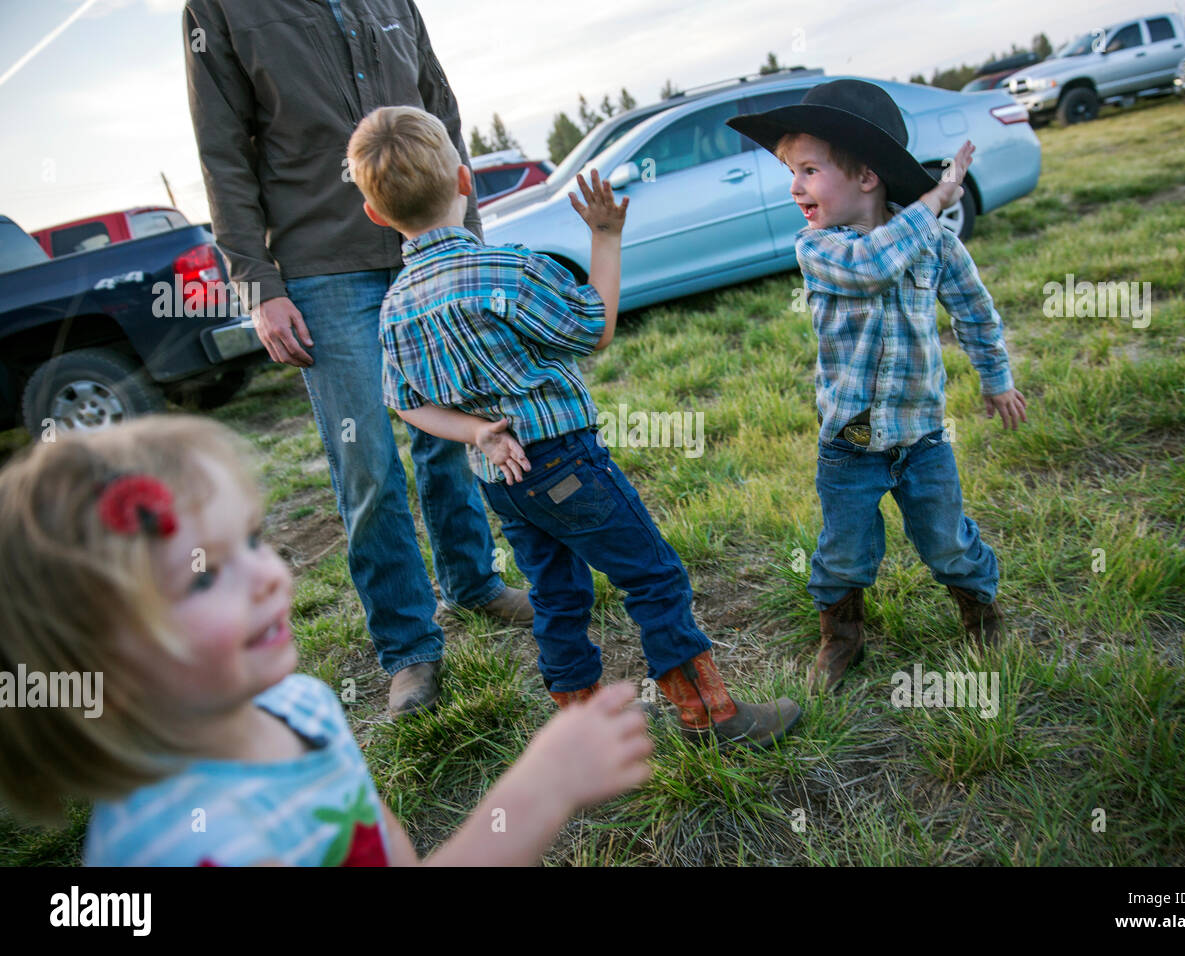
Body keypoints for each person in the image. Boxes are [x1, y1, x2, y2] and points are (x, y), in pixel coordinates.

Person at [0, 414, 652, 865]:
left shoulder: (301, 705)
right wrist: (541, 788)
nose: (266, 577)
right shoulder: (186, 845)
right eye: (202, 579)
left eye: (253, 540)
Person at [348, 106, 801, 749]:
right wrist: (606, 238)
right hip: (567, 463)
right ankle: (712, 715)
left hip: (501, 479)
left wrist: (477, 433)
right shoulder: (511, 269)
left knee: (557, 593)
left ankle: (583, 736)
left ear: (375, 213)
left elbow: (406, 403)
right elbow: (598, 328)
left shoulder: (394, 309)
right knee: (652, 575)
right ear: (464, 180)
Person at [182, 0, 531, 719]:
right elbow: (223, 153)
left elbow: (441, 111)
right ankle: (408, 647)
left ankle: (473, 583)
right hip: (321, 267)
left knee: (450, 434)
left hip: (427, 245)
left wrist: (470, 238)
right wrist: (258, 286)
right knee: (367, 463)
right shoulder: (217, 9)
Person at [727, 80, 1030, 691]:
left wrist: (996, 378)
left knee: (948, 542)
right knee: (844, 552)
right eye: (791, 171)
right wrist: (935, 198)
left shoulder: (937, 243)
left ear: (867, 177)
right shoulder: (819, 246)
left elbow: (974, 311)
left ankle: (980, 610)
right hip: (849, 442)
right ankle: (841, 636)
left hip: (923, 437)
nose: (794, 187)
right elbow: (873, 268)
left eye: (809, 170)